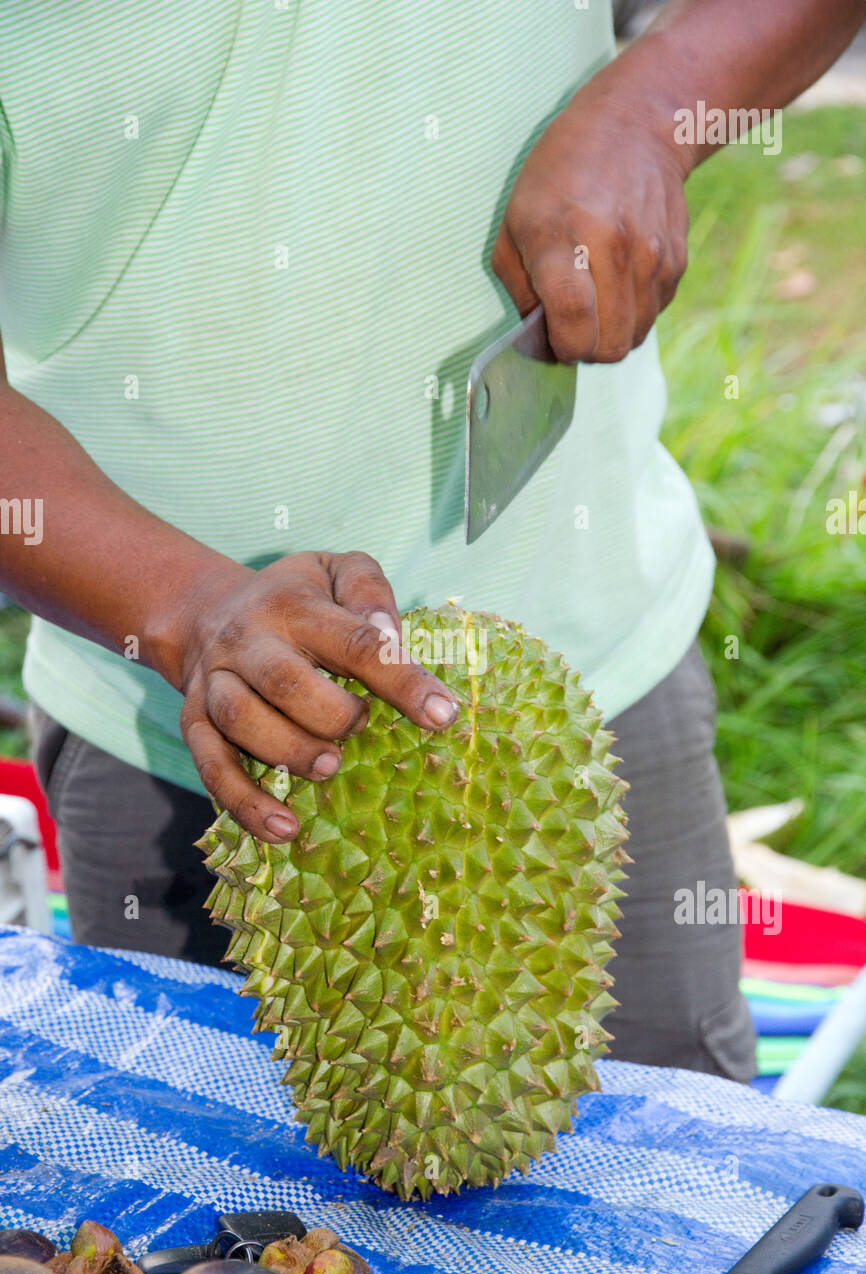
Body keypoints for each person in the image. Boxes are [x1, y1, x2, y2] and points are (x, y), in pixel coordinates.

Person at [1, 0, 862, 1079]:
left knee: (686, 1199)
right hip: (179, 727)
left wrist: (655, 106)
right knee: (214, 1219)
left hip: (590, 682)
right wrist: (182, 608)